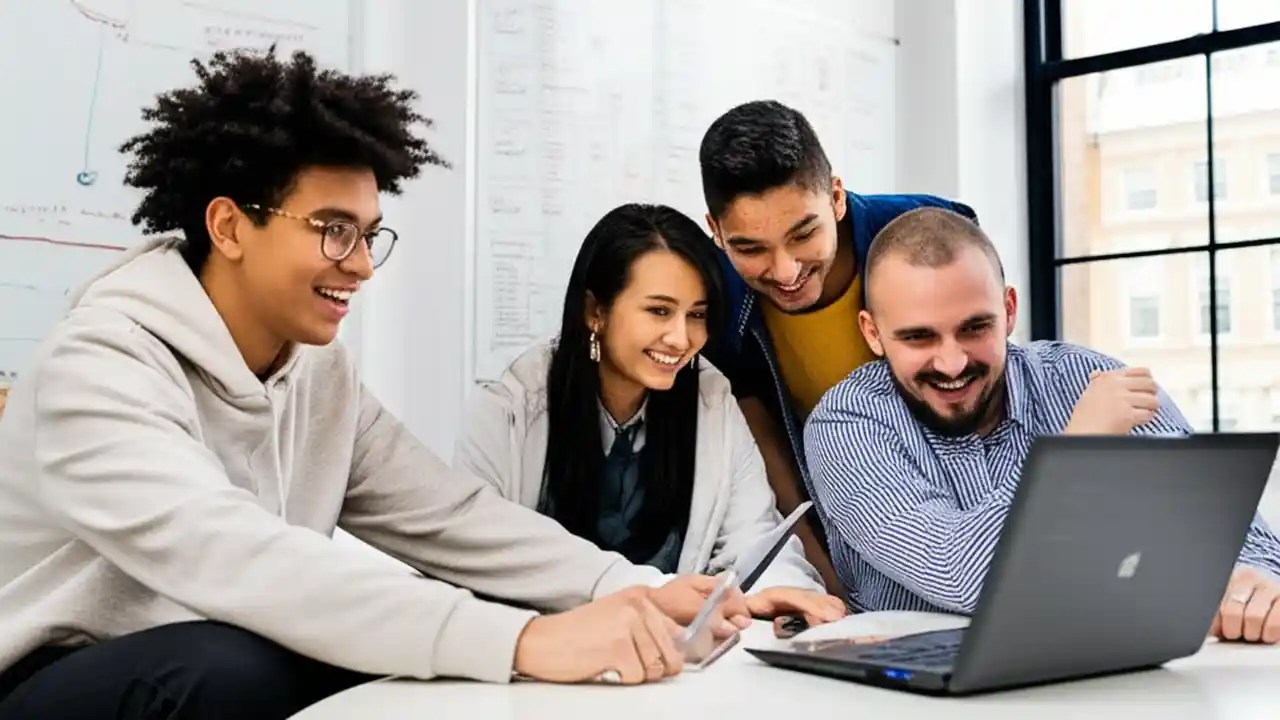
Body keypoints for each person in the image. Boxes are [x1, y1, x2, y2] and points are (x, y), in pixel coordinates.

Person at [0, 49, 750, 720]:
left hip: (215, 635)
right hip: (54, 670)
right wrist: (523, 637)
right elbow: (232, 555)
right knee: (236, 670)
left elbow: (450, 516)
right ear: (229, 228)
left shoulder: (318, 368)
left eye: (368, 233)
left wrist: (630, 588)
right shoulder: (100, 364)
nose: (360, 265)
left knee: (393, 664)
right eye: (333, 229)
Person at [804, 206, 1280, 644]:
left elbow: (1238, 534)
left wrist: (1249, 579)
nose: (951, 363)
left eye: (975, 328)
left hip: (1104, 656)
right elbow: (963, 574)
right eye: (918, 337)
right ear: (873, 333)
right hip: (916, 685)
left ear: (1009, 310)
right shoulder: (847, 423)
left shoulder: (1084, 378)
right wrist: (1076, 451)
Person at [456, 203, 848, 632]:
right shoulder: (511, 409)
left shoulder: (710, 399)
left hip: (674, 666)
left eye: (696, 315)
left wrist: (781, 594)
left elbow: (753, 541)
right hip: (546, 659)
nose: (681, 338)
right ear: (595, 312)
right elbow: (480, 556)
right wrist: (653, 595)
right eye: (659, 311)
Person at [697, 99, 980, 593]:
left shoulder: (926, 231)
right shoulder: (714, 295)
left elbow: (983, 387)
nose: (784, 271)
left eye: (803, 233)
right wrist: (826, 588)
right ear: (715, 231)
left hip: (957, 510)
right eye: (749, 248)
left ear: (835, 197)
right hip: (836, 520)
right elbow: (766, 456)